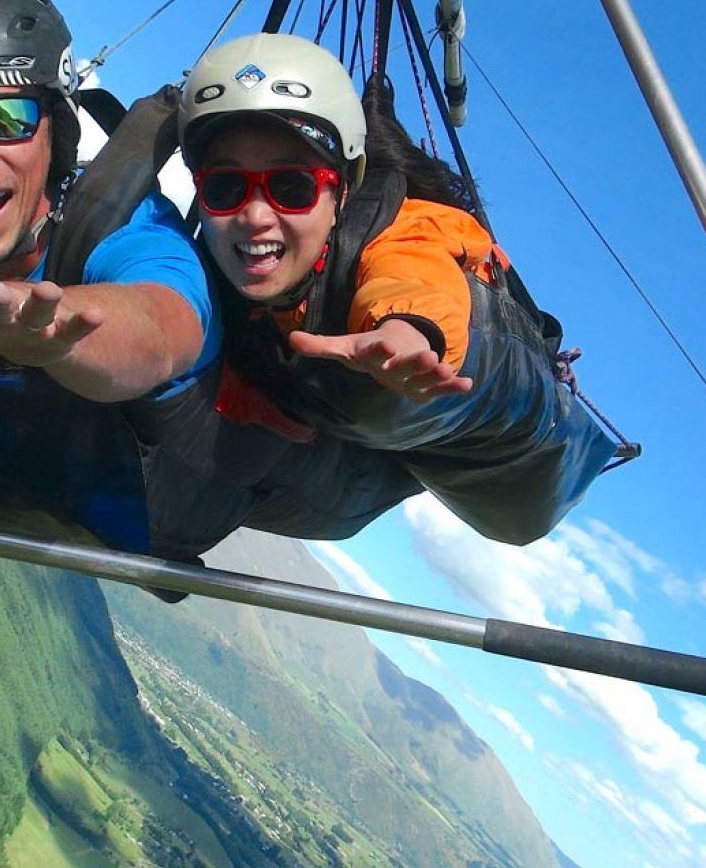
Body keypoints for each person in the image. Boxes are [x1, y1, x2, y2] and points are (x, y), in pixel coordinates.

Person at [0, 0, 417, 567]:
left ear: (55, 135)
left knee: (371, 459)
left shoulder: (128, 230)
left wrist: (56, 340)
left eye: (9, 119)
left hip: (260, 485)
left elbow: (161, 330)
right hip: (24, 500)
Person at [178, 32, 620, 545]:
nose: (255, 215)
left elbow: (410, 279)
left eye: (291, 187)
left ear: (341, 192)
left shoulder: (403, 231)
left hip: (484, 426)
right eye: (225, 187)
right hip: (345, 434)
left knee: (372, 402)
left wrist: (408, 336)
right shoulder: (231, 266)